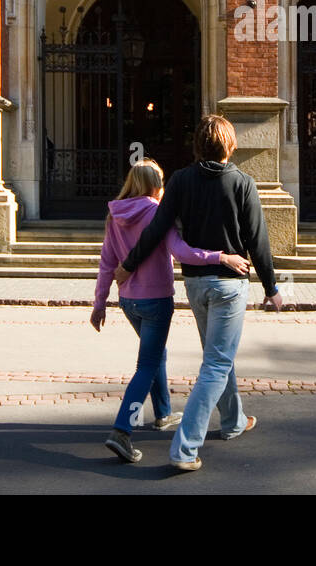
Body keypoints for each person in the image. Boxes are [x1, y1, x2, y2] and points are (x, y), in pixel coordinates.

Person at [116, 114, 281, 472]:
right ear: (230, 144)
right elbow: (258, 240)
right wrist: (271, 288)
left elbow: (158, 227)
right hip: (229, 284)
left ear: (197, 145)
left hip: (195, 283)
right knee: (217, 362)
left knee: (218, 354)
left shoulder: (180, 180)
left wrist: (129, 264)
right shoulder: (243, 183)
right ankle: (185, 448)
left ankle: (234, 420)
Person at [92, 159, 251, 463]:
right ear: (155, 185)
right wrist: (222, 257)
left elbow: (106, 261)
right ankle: (122, 430)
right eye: (161, 181)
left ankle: (163, 412)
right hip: (156, 300)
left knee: (155, 355)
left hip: (128, 301)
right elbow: (180, 252)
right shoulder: (155, 212)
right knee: (148, 363)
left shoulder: (115, 214)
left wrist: (100, 303)